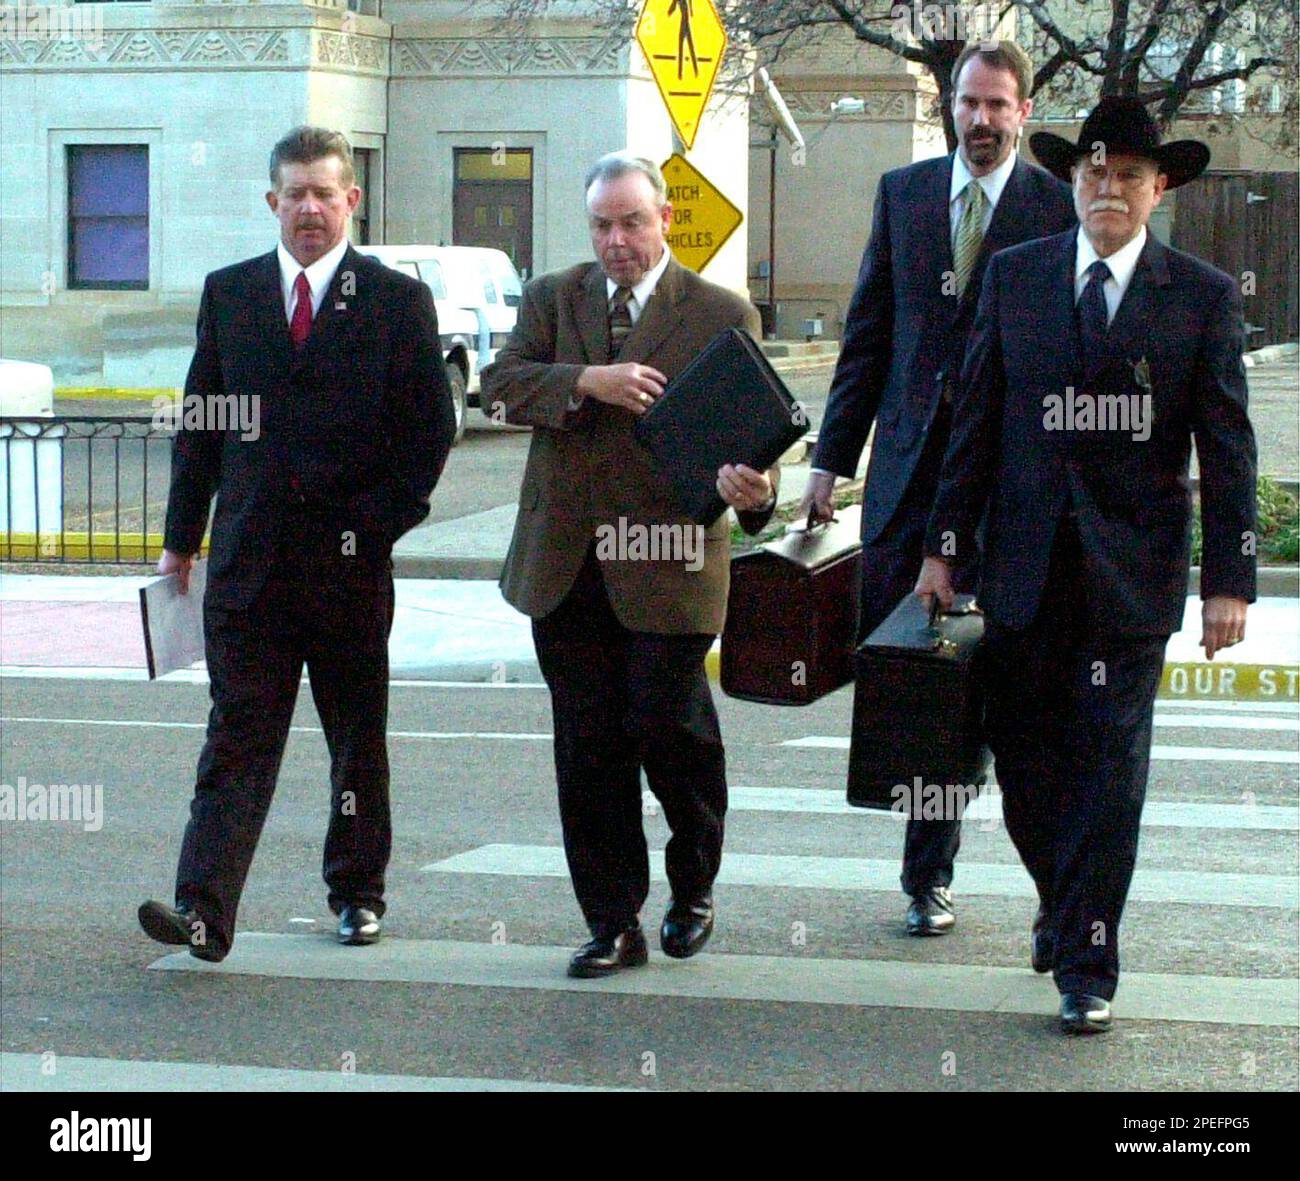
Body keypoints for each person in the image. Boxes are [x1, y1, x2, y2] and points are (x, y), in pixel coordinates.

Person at [916, 96, 1257, 1033]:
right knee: (1025, 769)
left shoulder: (1200, 296)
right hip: (1021, 573)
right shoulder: (1014, 278)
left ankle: (1088, 958)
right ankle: (1064, 902)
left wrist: (1228, 578)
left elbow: (1229, 448)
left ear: (1160, 189)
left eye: (1131, 176)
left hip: (1130, 582)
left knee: (1110, 776)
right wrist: (944, 548)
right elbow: (971, 422)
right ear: (1072, 180)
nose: (1111, 187)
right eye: (1095, 171)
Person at [138, 126, 455, 961]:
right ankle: (202, 909)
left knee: (357, 737)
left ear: (352, 199)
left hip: (349, 570)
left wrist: (378, 525)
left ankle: (358, 892)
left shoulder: (394, 299)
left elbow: (429, 431)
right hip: (250, 569)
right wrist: (182, 539)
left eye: (325, 192)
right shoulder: (231, 294)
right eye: (295, 193)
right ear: (271, 201)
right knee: (236, 737)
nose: (310, 207)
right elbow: (199, 428)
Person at [799, 41, 1076, 938]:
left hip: (1009, 493)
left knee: (1002, 688)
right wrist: (829, 462)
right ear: (948, 106)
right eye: (969, 103)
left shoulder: (1053, 207)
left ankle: (1053, 889)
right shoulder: (905, 195)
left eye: (999, 105)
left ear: (1024, 112)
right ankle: (928, 873)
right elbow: (869, 339)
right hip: (911, 479)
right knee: (924, 684)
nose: (983, 120)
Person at [482, 151, 778, 978]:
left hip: (670, 565)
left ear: (666, 221)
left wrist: (753, 489)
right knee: (587, 750)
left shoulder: (721, 312)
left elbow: (755, 440)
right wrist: (587, 381)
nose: (617, 241)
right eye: (602, 226)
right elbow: (498, 391)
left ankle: (693, 884)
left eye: (632, 223)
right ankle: (613, 919)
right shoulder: (553, 299)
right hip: (567, 566)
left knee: (667, 729)